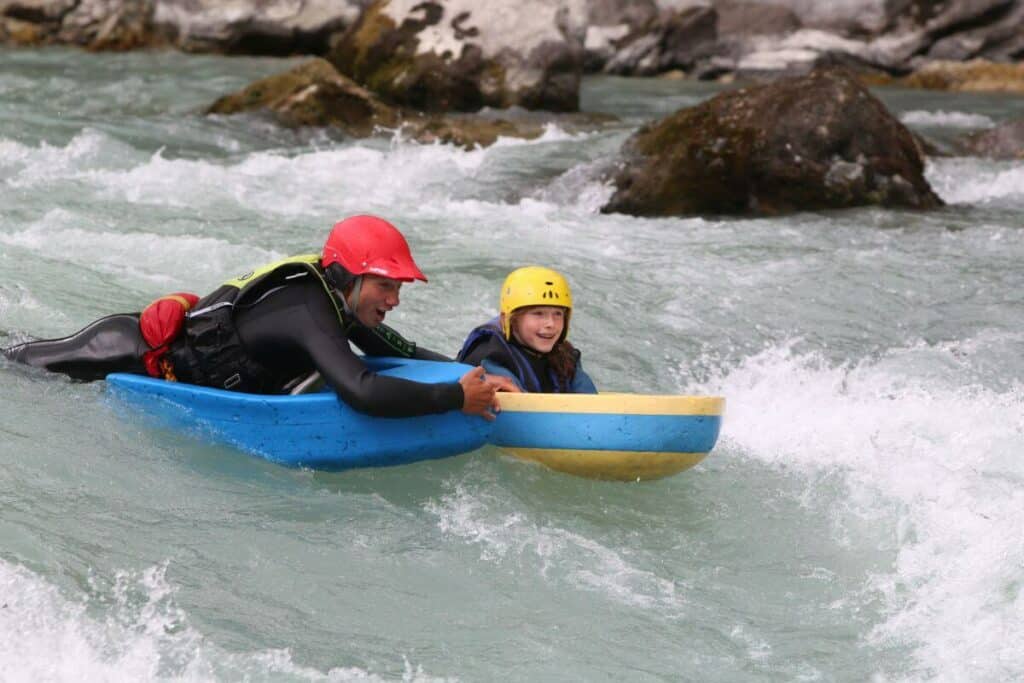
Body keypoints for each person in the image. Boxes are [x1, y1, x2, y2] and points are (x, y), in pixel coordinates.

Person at [2, 215, 510, 420]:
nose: (394, 298)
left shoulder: (338, 301)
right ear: (350, 277)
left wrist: (484, 380)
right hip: (125, 351)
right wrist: (454, 399)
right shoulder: (308, 309)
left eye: (398, 287)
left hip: (162, 364)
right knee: (14, 363)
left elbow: (402, 353)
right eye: (386, 285)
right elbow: (363, 390)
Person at [456, 266, 597, 393]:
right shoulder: (489, 355)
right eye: (538, 313)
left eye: (558, 314)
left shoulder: (565, 355)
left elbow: (591, 403)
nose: (551, 324)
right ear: (511, 319)